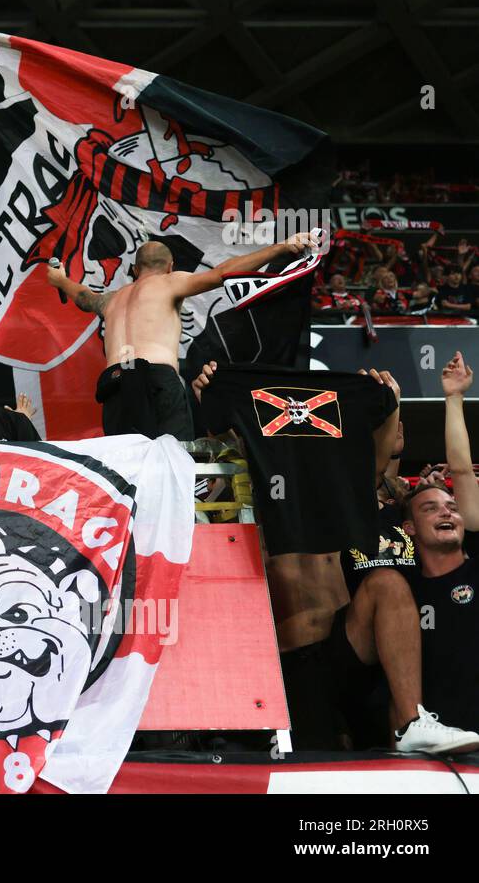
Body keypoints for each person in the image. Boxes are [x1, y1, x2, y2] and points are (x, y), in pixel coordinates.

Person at [191, 361, 479, 753]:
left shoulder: (329, 496)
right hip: (290, 658)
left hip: (347, 647)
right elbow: (228, 452)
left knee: (388, 584)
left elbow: (375, 466)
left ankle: (413, 723)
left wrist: (389, 403)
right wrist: (214, 396)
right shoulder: (253, 497)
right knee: (323, 764)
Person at [46, 232, 313, 439]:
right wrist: (280, 247)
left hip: (114, 383)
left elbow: (84, 298)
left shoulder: (111, 300)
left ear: (135, 269)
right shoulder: (169, 282)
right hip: (155, 376)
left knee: (125, 466)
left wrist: (59, 280)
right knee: (174, 459)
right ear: (170, 266)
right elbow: (223, 273)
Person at [399, 351, 479, 732]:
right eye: (430, 508)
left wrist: (454, 398)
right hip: (443, 746)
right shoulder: (402, 590)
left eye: (450, 506)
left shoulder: (475, 559)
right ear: (409, 529)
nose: (447, 512)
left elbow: (461, 469)